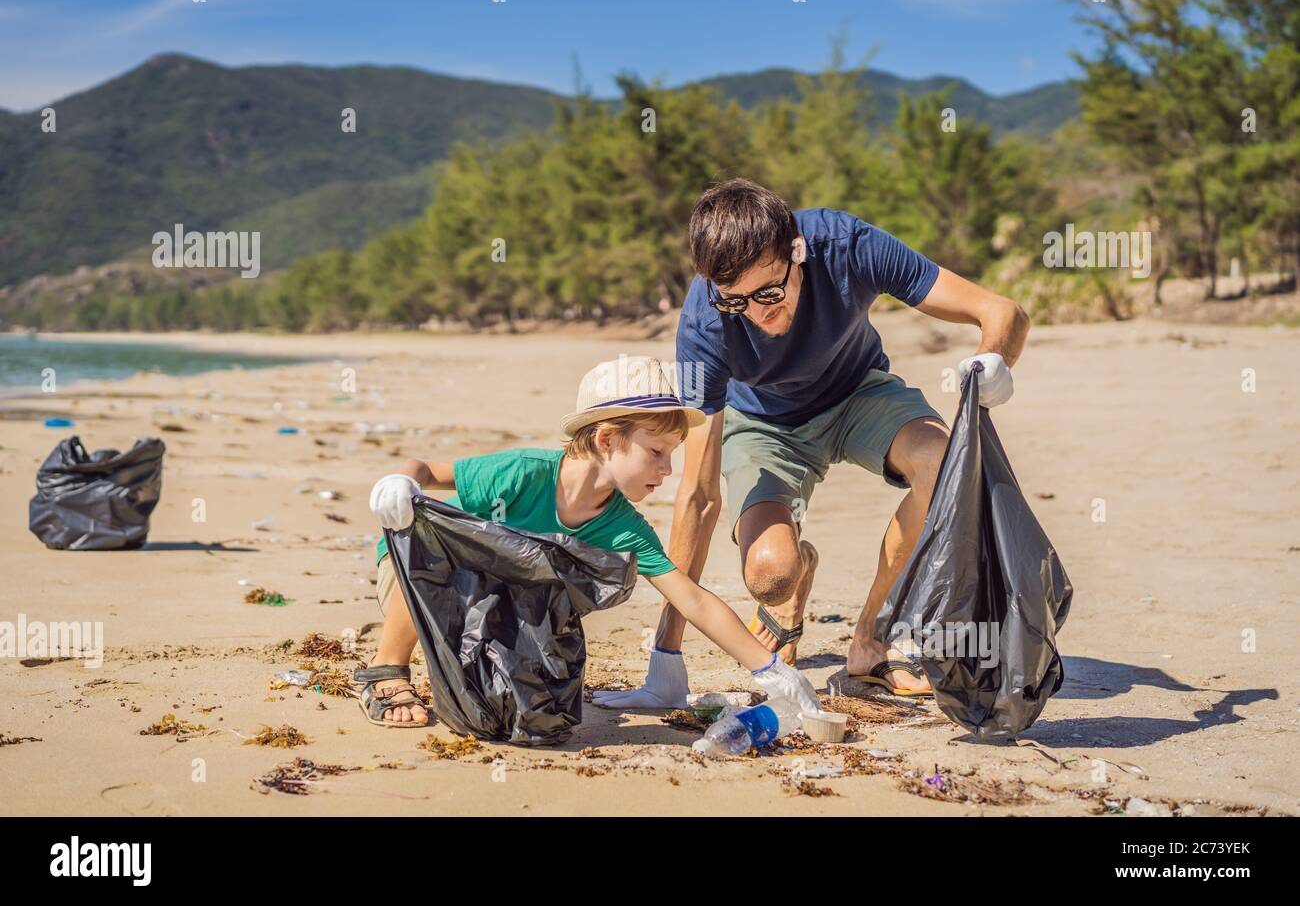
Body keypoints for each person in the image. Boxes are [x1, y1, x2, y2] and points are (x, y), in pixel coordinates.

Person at [599, 178, 1030, 710]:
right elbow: (698, 495)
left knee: (943, 465)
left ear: (796, 253)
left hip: (858, 394)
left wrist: (994, 360)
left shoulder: (847, 246)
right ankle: (795, 580)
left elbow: (1002, 313)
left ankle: (870, 639)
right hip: (763, 425)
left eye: (770, 293)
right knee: (768, 574)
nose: (758, 313)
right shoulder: (703, 324)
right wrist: (666, 658)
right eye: (737, 302)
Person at [357, 354, 822, 727]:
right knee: (432, 540)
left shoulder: (623, 526)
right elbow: (423, 471)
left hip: (499, 603)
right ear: (605, 439)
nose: (666, 470)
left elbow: (692, 599)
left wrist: (769, 669)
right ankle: (386, 670)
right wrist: (398, 485)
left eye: (671, 456)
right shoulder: (521, 473)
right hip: (422, 581)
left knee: (533, 709)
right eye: (656, 452)